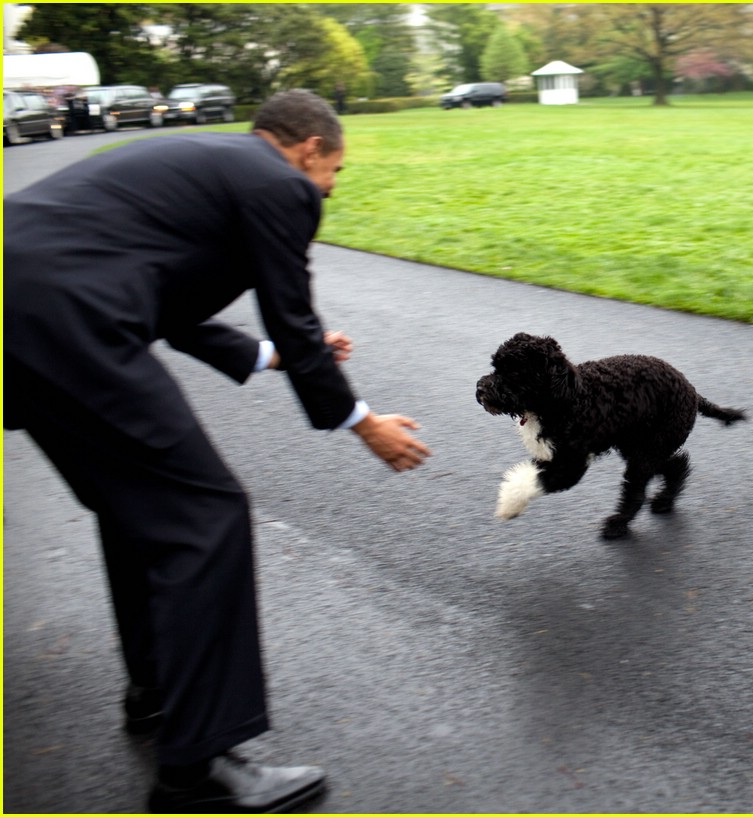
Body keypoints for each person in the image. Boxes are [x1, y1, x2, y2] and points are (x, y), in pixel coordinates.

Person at [4, 89, 432, 813]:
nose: (328, 187)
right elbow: (294, 314)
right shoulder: (281, 184)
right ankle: (195, 768)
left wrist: (276, 356)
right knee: (207, 514)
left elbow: (169, 303)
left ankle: (161, 689)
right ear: (309, 150)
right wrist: (362, 421)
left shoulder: (209, 163)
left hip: (29, 305)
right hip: (65, 313)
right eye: (335, 170)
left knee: (136, 503)